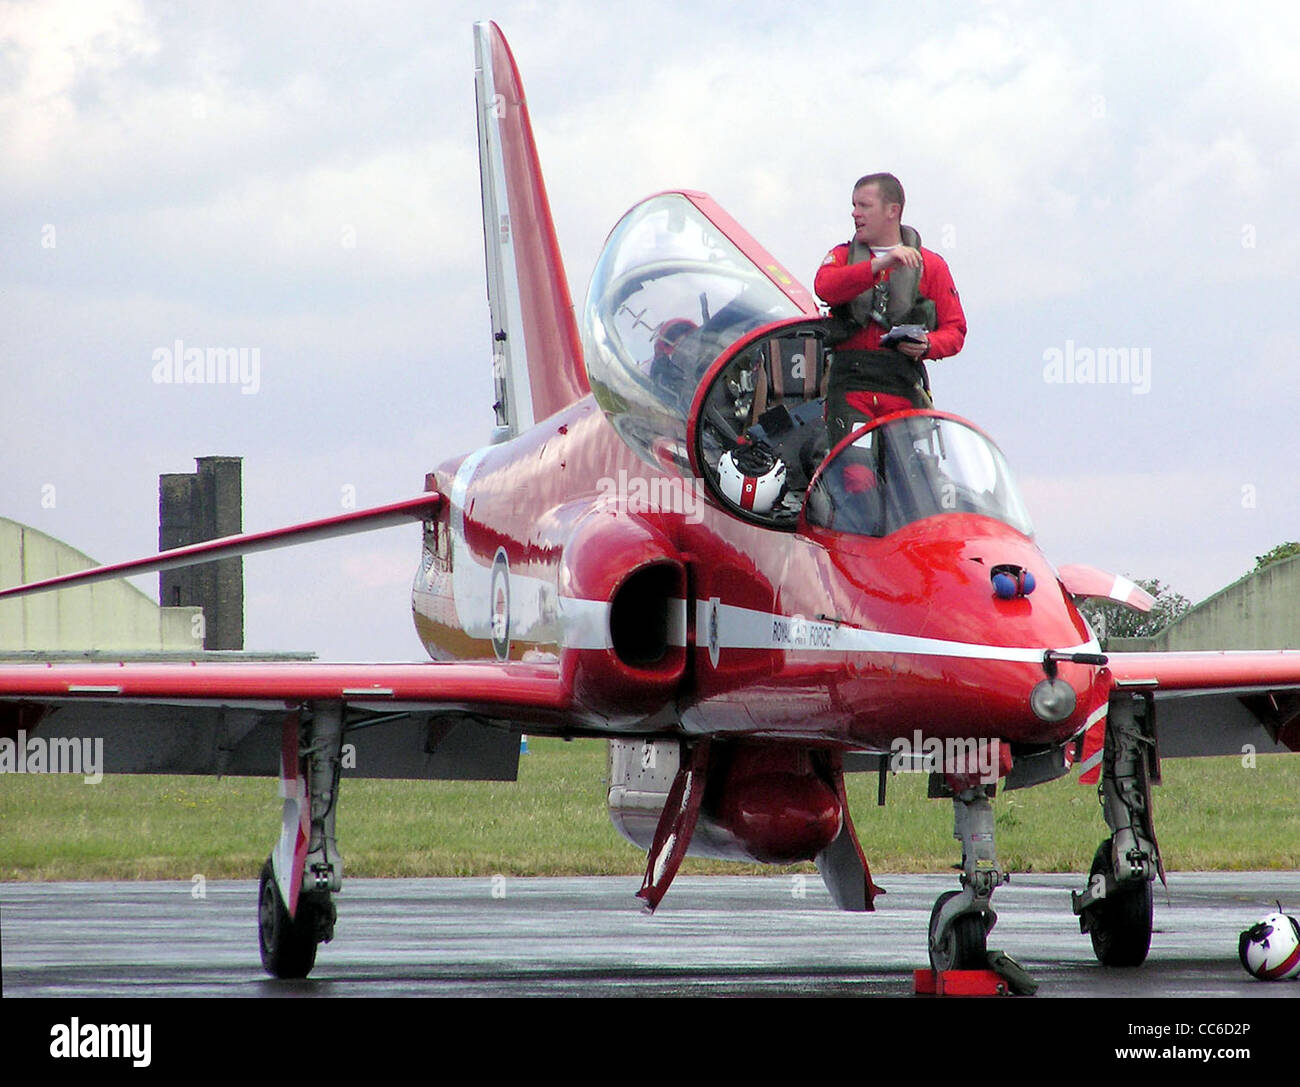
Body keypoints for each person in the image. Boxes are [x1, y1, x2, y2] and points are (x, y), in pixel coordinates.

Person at [814, 173, 966, 446]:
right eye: (854, 205)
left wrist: (927, 344)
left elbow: (955, 330)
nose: (855, 213)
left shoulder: (932, 266)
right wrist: (879, 265)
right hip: (851, 388)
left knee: (904, 477)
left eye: (864, 206)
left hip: (901, 388)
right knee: (856, 475)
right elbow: (825, 287)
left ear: (892, 211)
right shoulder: (841, 257)